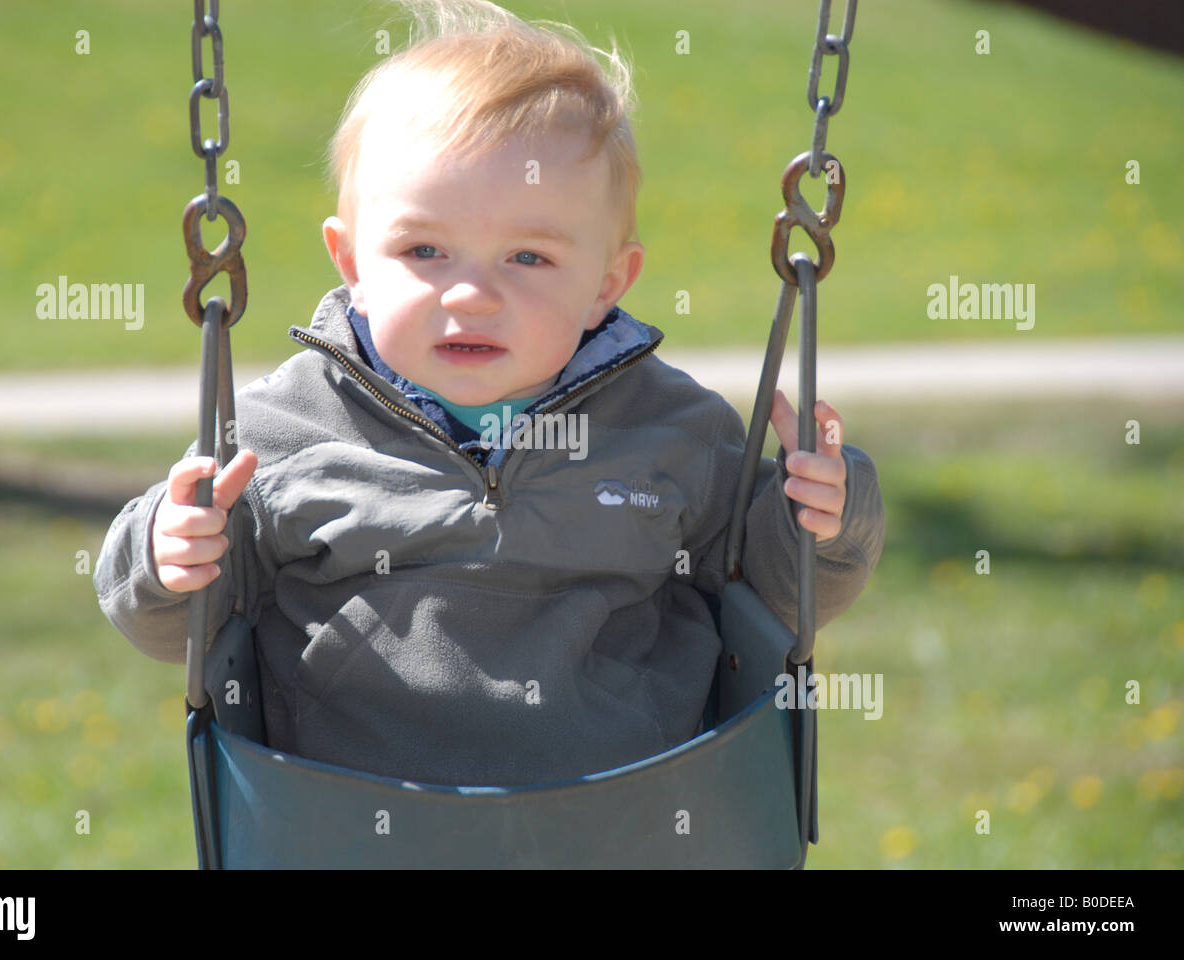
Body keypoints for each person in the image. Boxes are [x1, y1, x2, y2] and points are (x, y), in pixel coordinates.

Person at [94, 0, 885, 787]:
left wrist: (821, 518)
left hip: (625, 829)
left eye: (528, 259)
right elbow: (176, 626)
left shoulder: (675, 430)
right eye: (426, 249)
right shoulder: (281, 433)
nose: (470, 295)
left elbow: (781, 594)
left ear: (607, 284)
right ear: (353, 264)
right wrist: (167, 553)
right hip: (351, 831)